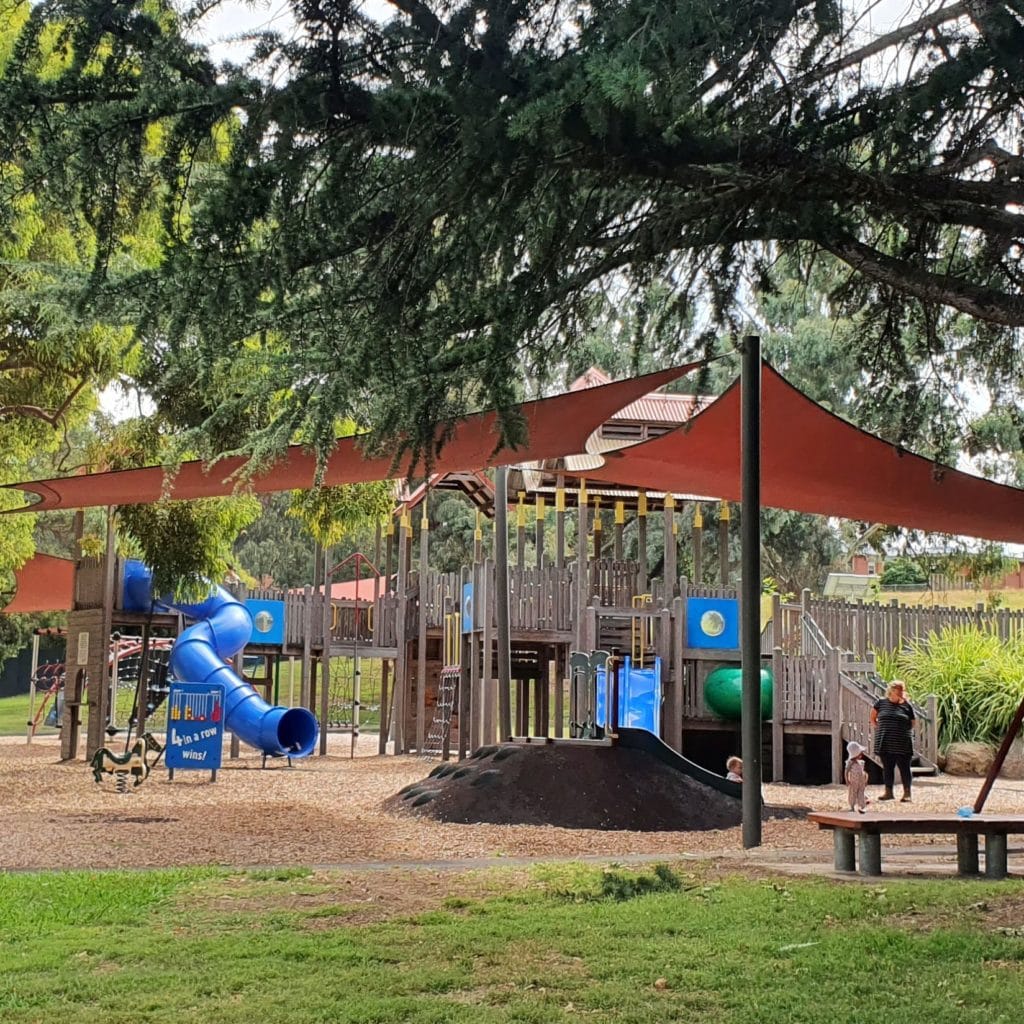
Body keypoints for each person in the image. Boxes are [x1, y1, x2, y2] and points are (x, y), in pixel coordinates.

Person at [870, 680, 916, 802]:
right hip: (885, 741)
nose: (900, 692)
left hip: (902, 743)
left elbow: (912, 723)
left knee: (904, 768)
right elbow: (873, 718)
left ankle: (907, 793)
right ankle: (888, 792)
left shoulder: (907, 706)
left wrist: (902, 730)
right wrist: (879, 728)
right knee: (887, 768)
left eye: (902, 689)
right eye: (898, 689)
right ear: (891, 690)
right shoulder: (881, 703)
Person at [845, 740, 870, 813]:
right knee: (852, 793)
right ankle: (852, 806)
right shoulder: (850, 762)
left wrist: (866, 780)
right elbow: (846, 771)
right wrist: (847, 779)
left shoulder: (860, 762)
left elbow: (864, 772)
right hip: (853, 782)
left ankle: (862, 806)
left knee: (861, 793)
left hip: (861, 781)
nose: (861, 754)